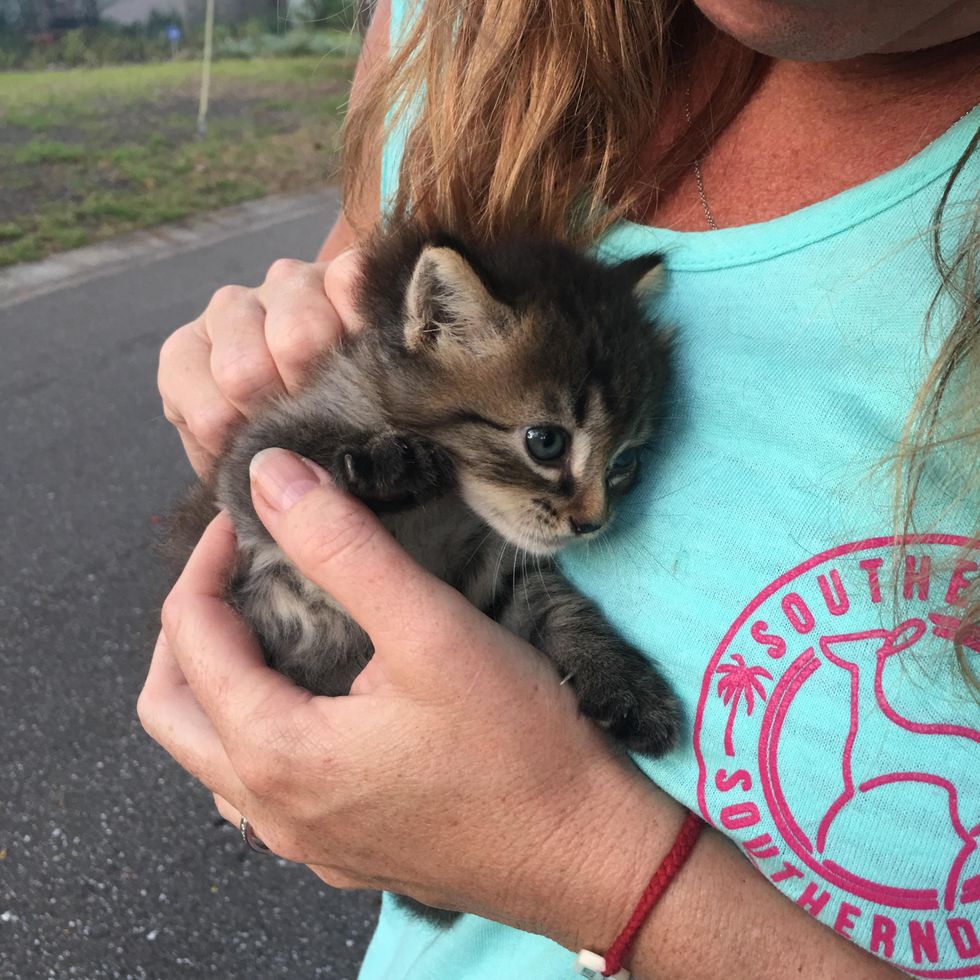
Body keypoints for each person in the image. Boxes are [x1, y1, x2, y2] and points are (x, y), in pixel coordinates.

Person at [138, 1, 980, 976]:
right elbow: (335, 369)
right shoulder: (457, 34)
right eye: (550, 447)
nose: (592, 513)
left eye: (613, 467)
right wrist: (250, 351)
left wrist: (587, 864)